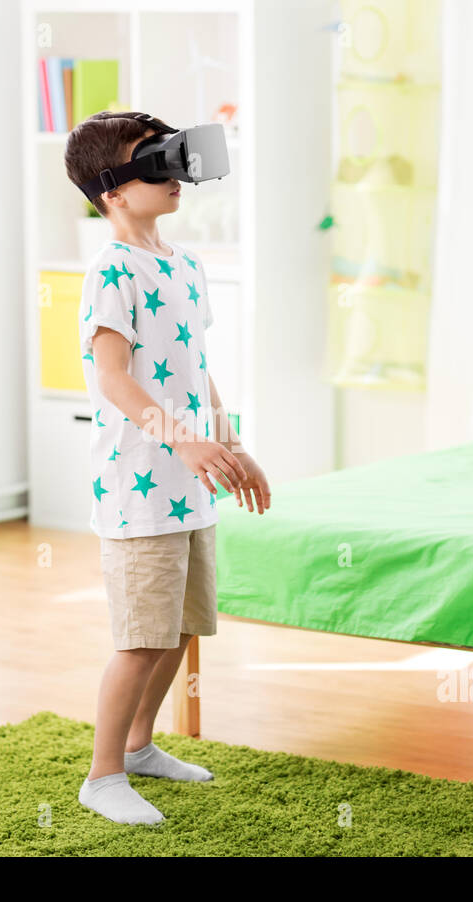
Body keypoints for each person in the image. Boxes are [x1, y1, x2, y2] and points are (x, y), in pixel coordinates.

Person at [63, 111, 272, 824]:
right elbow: (115, 378)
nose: (174, 170)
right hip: (139, 490)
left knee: (181, 626)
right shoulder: (109, 272)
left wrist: (229, 443)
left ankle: (142, 743)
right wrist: (183, 443)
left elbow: (196, 370)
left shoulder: (184, 263)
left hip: (190, 486)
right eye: (154, 160)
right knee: (140, 636)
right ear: (113, 190)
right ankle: (102, 773)